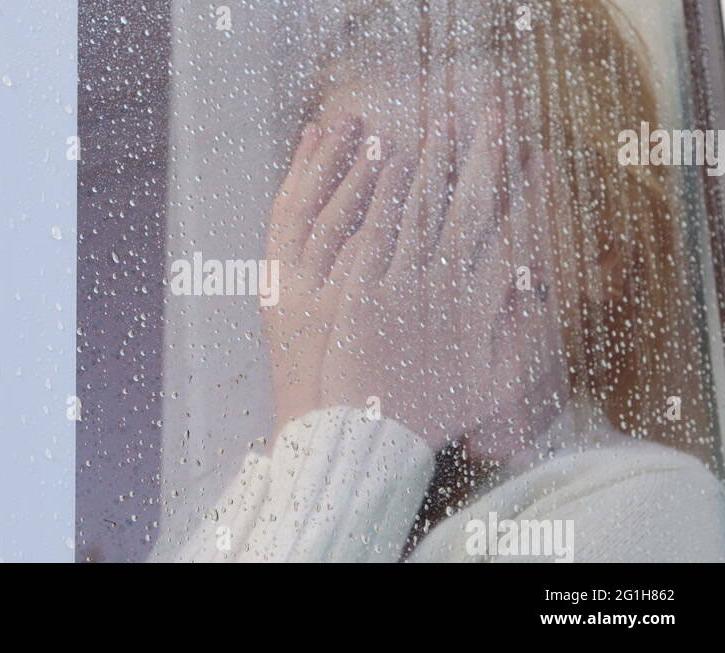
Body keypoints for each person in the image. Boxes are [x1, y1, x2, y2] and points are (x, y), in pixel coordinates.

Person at [155, 0, 725, 562]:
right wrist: (309, 427)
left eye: (452, 205)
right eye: (354, 210)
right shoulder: (252, 508)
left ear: (599, 246)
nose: (379, 287)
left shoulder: (651, 512)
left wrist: (357, 434)